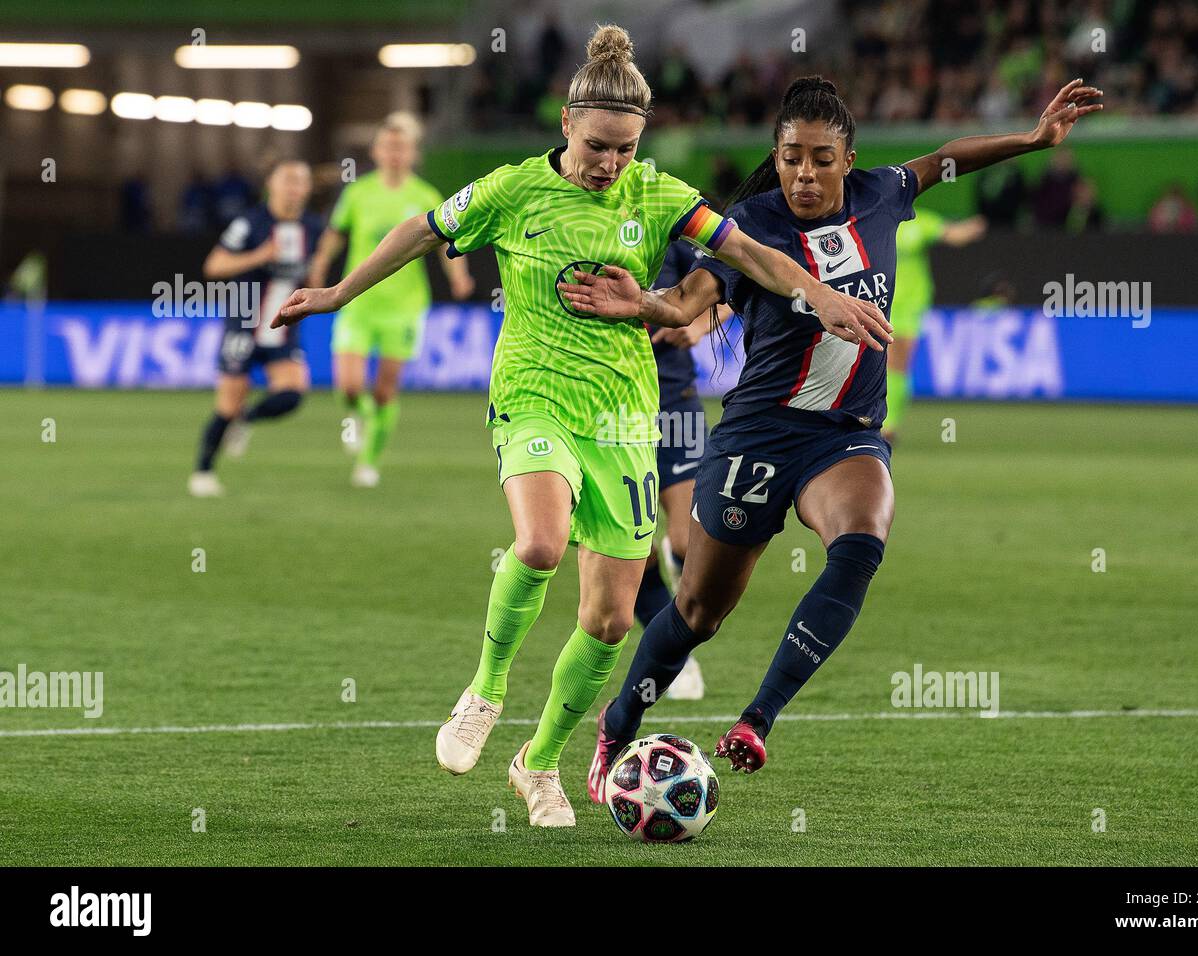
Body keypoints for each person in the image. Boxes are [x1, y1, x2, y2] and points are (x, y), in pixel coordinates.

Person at [273, 28, 891, 827]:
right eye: (599, 146)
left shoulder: (658, 195)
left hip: (626, 419)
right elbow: (422, 231)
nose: (611, 163)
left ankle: (539, 766)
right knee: (537, 543)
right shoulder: (510, 191)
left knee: (606, 620)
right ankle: (486, 690)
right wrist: (337, 294)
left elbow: (748, 253)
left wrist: (820, 294)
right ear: (567, 124)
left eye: (627, 149)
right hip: (534, 397)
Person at [569, 75, 1102, 791]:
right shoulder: (751, 223)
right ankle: (616, 728)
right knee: (698, 612)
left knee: (860, 544)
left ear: (849, 160)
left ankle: (756, 719)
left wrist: (1032, 139)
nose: (804, 174)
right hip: (758, 435)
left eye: (821, 158)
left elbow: (948, 158)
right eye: (791, 157)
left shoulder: (884, 195)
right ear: (776, 155)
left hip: (843, 435)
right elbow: (688, 302)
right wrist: (643, 305)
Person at [308, 112, 475, 488]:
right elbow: (336, 234)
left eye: (403, 148)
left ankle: (368, 462)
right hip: (359, 304)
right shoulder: (358, 192)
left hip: (404, 307)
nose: (395, 154)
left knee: (384, 391)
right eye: (389, 146)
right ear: (377, 151)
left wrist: (459, 275)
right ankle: (358, 417)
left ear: (412, 154)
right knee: (350, 387)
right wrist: (320, 263)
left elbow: (446, 242)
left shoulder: (425, 195)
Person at [189, 159, 321, 498]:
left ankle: (246, 419)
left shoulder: (314, 227)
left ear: (308, 189)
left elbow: (317, 270)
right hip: (244, 322)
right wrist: (259, 256)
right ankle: (202, 472)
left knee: (292, 395)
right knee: (226, 404)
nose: (294, 187)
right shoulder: (250, 223)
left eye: (301, 181)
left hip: (283, 326)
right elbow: (214, 265)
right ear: (271, 185)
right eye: (287, 180)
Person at [633, 240, 729, 701]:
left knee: (691, 541)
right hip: (602, 410)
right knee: (628, 556)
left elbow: (733, 284)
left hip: (675, 403)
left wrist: (700, 324)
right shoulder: (572, 228)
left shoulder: (668, 228)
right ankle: (677, 659)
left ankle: (680, 622)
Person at [882, 209, 986, 440]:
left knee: (898, 364)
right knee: (885, 364)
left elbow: (953, 235)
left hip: (910, 304)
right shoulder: (876, 220)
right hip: (880, 301)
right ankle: (883, 423)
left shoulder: (918, 222)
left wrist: (975, 225)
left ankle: (889, 424)